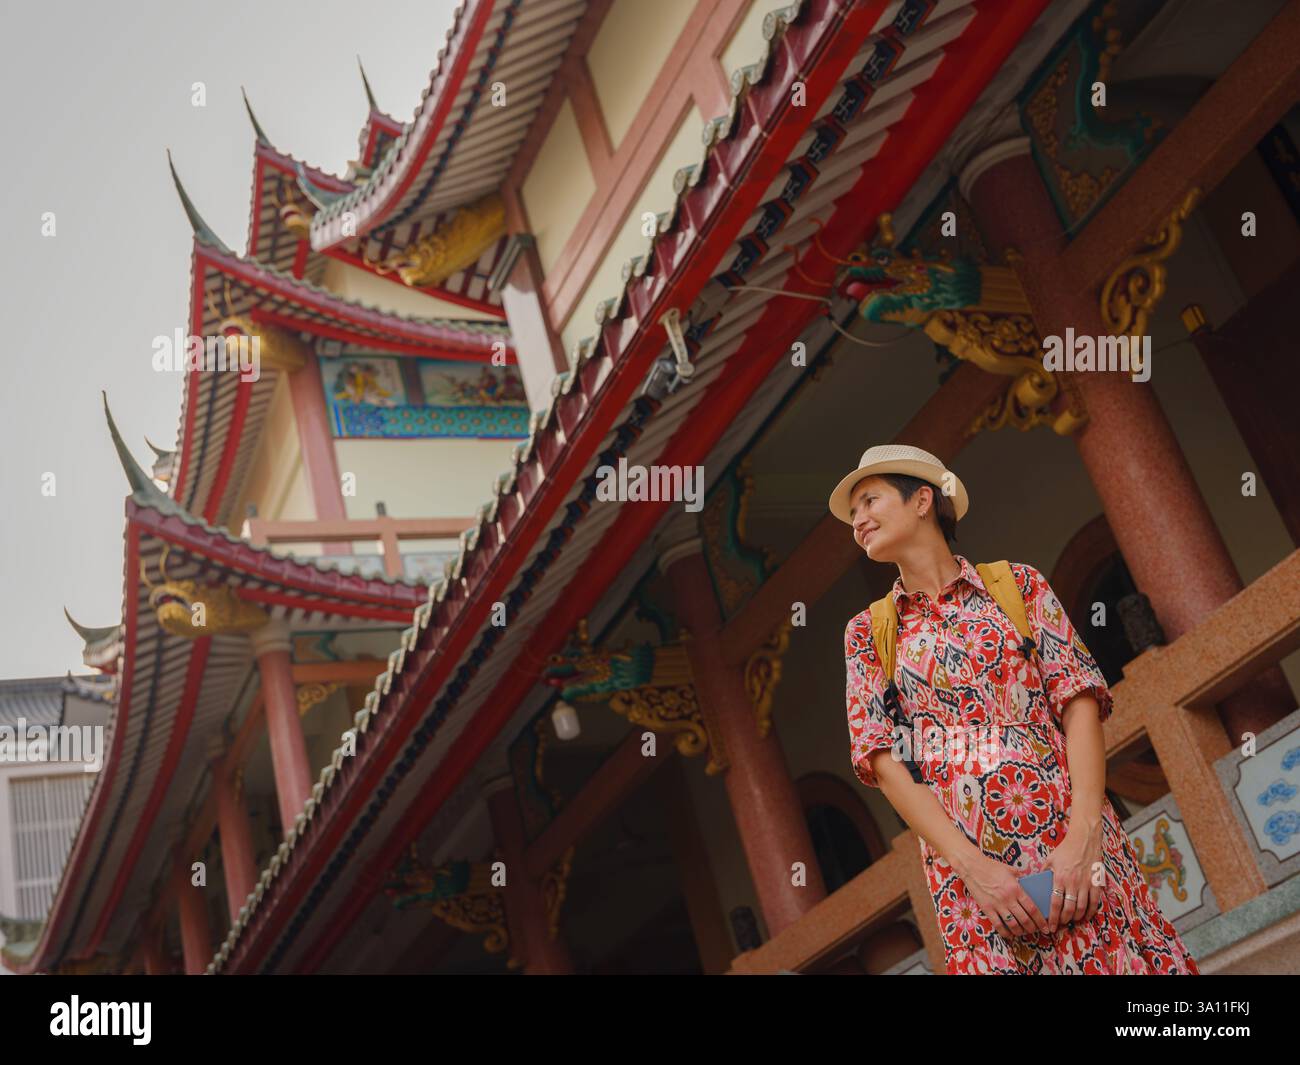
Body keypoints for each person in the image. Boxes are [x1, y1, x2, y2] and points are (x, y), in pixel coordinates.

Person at [829, 443, 1200, 975]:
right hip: (973, 882)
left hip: (1074, 845)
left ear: (921, 501)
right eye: (852, 514)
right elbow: (881, 760)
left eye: (868, 500)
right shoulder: (867, 633)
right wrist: (975, 870)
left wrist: (1084, 836)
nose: (858, 520)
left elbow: (1078, 703)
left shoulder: (1018, 587)